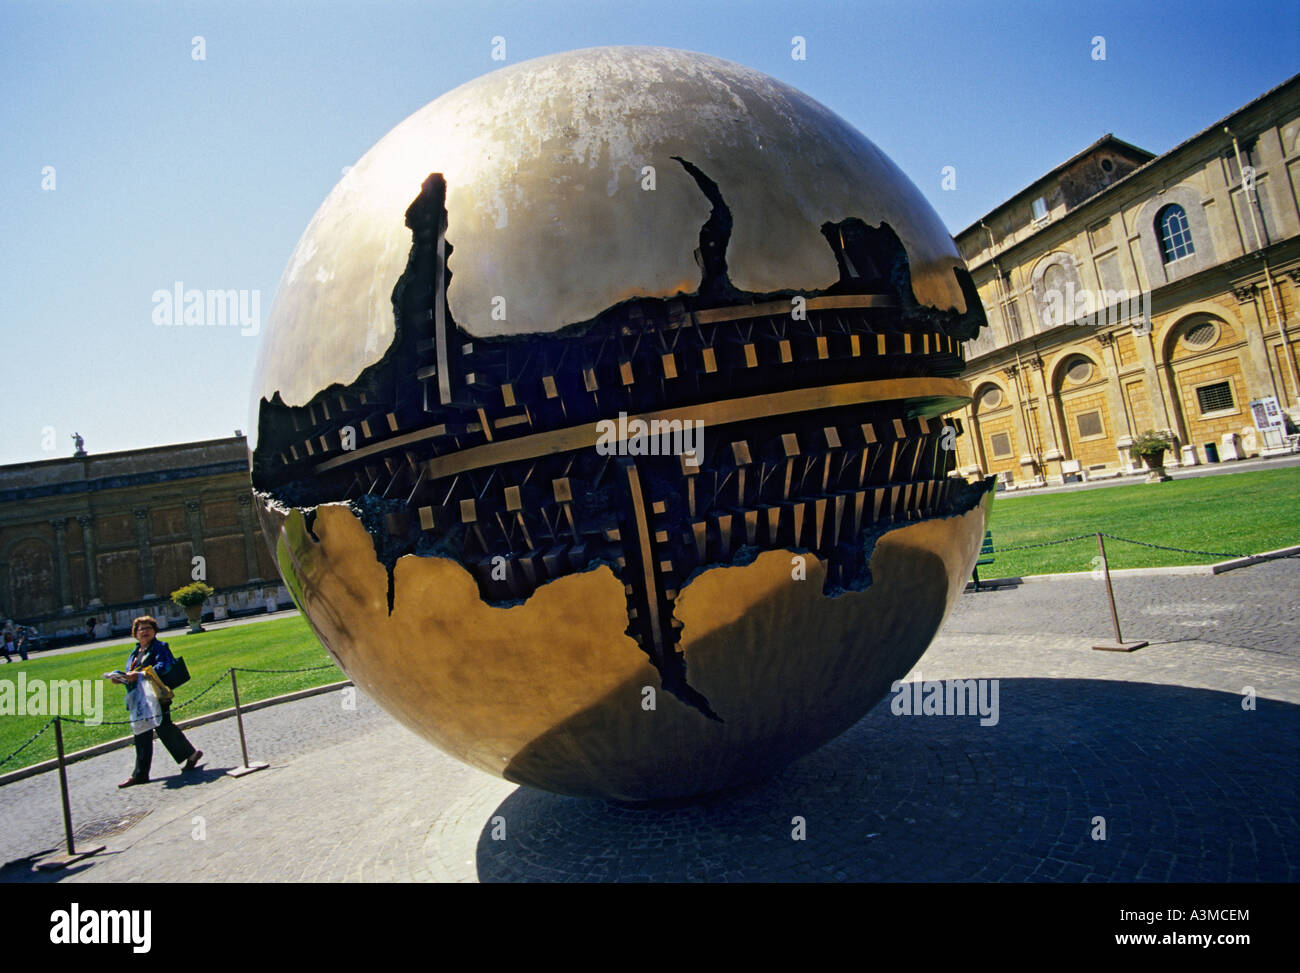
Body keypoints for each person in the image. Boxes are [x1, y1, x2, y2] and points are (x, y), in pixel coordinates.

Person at [116, 616, 203, 787]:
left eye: (148, 628)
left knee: (164, 727)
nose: (145, 631)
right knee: (141, 733)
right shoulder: (135, 653)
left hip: (156, 694)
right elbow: (130, 672)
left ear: (155, 630)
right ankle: (140, 774)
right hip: (139, 699)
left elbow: (165, 665)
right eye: (141, 629)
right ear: (135, 633)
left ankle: (191, 755)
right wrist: (121, 677)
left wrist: (140, 674)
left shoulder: (160, 647)